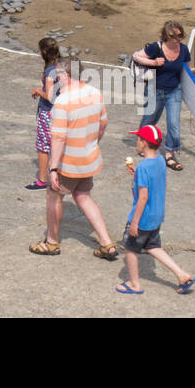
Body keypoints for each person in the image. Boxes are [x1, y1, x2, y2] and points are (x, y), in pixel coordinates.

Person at [30, 57, 118, 260]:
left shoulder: (63, 102)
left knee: (54, 196)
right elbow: (103, 123)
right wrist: (93, 143)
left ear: (65, 75)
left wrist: (52, 169)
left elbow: (58, 137)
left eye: (57, 74)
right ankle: (106, 243)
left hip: (69, 163)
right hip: (90, 157)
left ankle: (51, 242)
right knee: (83, 196)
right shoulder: (95, 93)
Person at [117, 125, 195, 295]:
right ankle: (181, 274)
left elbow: (143, 197)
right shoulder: (160, 160)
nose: (136, 142)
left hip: (143, 218)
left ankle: (134, 283)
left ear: (144, 143)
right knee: (152, 246)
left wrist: (134, 223)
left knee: (130, 249)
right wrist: (136, 174)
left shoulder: (144, 167)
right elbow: (159, 182)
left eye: (138, 139)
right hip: (156, 216)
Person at [132, 22, 188, 170]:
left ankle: (170, 153)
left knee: (174, 124)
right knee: (149, 120)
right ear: (166, 36)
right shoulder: (156, 47)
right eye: (174, 37)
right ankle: (143, 144)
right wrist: (154, 62)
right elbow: (137, 57)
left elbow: (187, 70)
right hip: (155, 89)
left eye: (180, 36)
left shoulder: (183, 49)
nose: (177, 40)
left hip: (174, 90)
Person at [26, 37, 61, 189]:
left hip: (48, 113)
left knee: (44, 146)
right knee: (59, 144)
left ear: (45, 52)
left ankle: (42, 180)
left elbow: (50, 95)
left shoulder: (50, 70)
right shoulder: (62, 65)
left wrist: (38, 91)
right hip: (61, 111)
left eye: (40, 50)